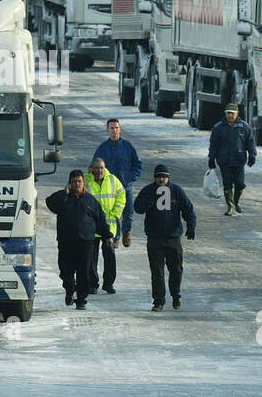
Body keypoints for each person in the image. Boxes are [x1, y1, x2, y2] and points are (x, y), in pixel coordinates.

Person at [45, 169, 113, 310]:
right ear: (70, 183)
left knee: (84, 272)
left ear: (83, 183)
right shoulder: (63, 199)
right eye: (74, 182)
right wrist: (64, 193)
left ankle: (81, 299)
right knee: (65, 271)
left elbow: (100, 220)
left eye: (79, 182)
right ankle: (70, 290)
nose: (77, 184)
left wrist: (107, 236)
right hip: (66, 242)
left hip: (86, 242)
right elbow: (50, 203)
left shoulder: (90, 201)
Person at [134, 164, 196, 312]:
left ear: (168, 177)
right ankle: (158, 301)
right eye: (159, 176)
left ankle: (176, 296)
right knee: (157, 272)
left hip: (173, 238)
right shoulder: (148, 190)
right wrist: (150, 200)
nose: (161, 179)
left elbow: (188, 209)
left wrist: (191, 225)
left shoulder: (176, 191)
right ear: (155, 177)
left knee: (176, 270)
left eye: (164, 176)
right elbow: (137, 208)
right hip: (155, 238)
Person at [92, 118, 142, 246]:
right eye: (112, 128)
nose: (114, 131)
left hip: (126, 186)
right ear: (107, 130)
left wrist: (130, 178)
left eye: (116, 128)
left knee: (128, 212)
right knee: (113, 212)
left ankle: (127, 232)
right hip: (110, 188)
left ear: (120, 129)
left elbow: (137, 165)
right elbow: (95, 166)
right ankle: (116, 237)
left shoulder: (128, 147)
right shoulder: (103, 148)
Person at [84, 157, 125, 294]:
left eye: (102, 167)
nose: (99, 170)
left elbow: (121, 196)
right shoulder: (85, 181)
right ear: (91, 168)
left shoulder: (113, 180)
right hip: (91, 226)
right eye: (96, 168)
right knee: (91, 257)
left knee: (110, 257)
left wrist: (115, 214)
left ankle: (109, 284)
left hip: (108, 226)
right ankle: (92, 284)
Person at [208, 103, 256, 215]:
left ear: (237, 114)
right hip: (224, 161)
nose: (230, 116)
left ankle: (236, 202)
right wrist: (211, 158)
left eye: (232, 113)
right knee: (227, 184)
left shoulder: (244, 127)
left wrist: (252, 155)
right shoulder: (218, 128)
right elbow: (213, 145)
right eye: (228, 113)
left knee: (240, 184)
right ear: (225, 114)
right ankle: (230, 206)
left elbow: (250, 142)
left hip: (239, 161)